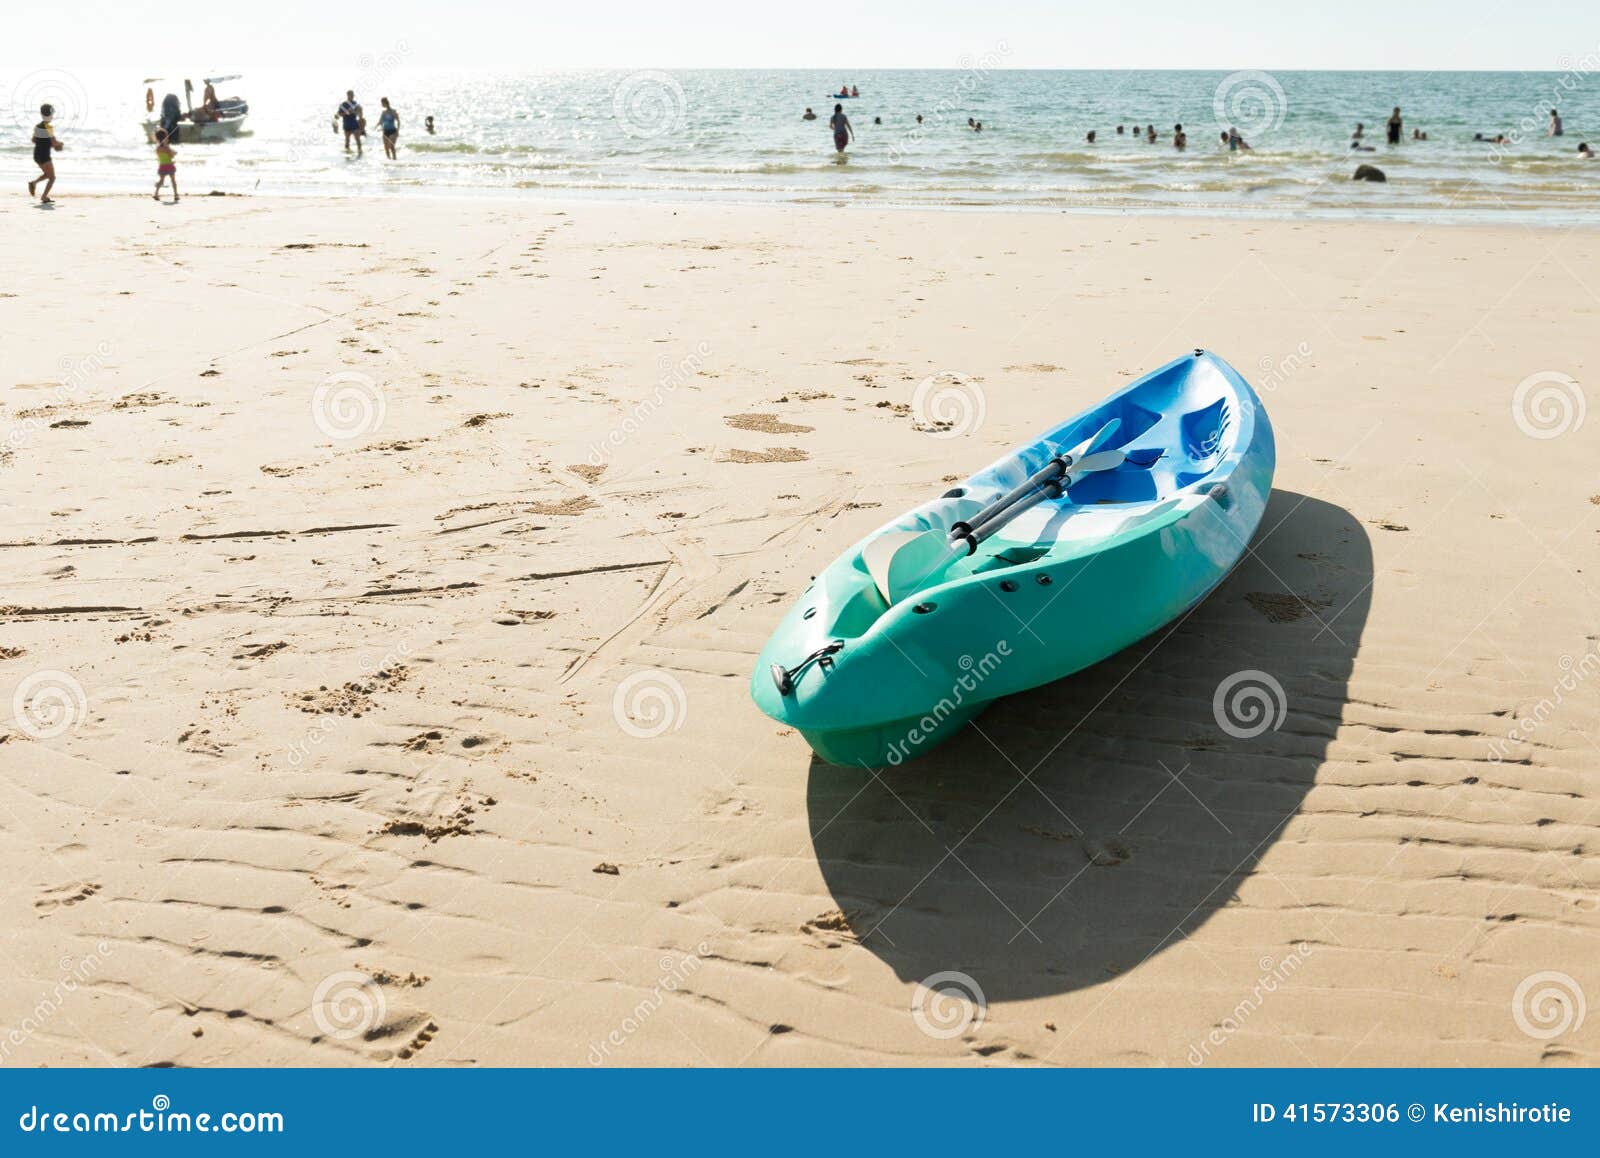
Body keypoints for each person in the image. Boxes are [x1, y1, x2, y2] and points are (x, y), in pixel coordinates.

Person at [28, 104, 62, 202]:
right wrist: (60, 144)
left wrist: (46, 143)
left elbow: (34, 140)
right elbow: (54, 143)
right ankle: (44, 197)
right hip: (44, 155)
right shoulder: (49, 127)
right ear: (50, 115)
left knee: (47, 174)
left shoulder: (38, 126)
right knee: (52, 177)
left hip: (36, 154)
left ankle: (33, 183)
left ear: (41, 114)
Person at [334, 90, 364, 156]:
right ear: (348, 95)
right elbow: (338, 115)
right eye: (351, 95)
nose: (353, 96)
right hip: (346, 124)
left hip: (354, 123)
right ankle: (347, 155)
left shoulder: (355, 103)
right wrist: (346, 112)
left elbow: (360, 113)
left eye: (353, 95)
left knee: (358, 139)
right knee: (347, 140)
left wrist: (355, 112)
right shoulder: (343, 104)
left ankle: (360, 153)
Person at [153, 129, 178, 202]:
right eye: (166, 137)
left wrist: (168, 148)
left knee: (161, 180)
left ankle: (156, 193)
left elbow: (159, 156)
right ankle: (176, 195)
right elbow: (171, 156)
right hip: (169, 166)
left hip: (162, 166)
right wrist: (173, 152)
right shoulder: (166, 148)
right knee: (173, 181)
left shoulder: (157, 148)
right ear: (165, 138)